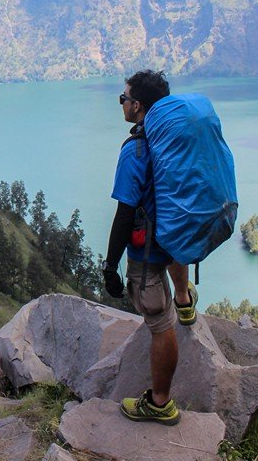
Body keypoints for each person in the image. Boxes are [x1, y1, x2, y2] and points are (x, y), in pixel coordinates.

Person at [101, 69, 198, 426]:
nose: (121, 103)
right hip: (178, 233)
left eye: (123, 98)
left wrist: (110, 266)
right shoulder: (173, 138)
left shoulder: (136, 150)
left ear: (137, 106)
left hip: (147, 250)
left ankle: (160, 403)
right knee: (172, 261)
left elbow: (125, 214)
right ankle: (185, 299)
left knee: (160, 323)